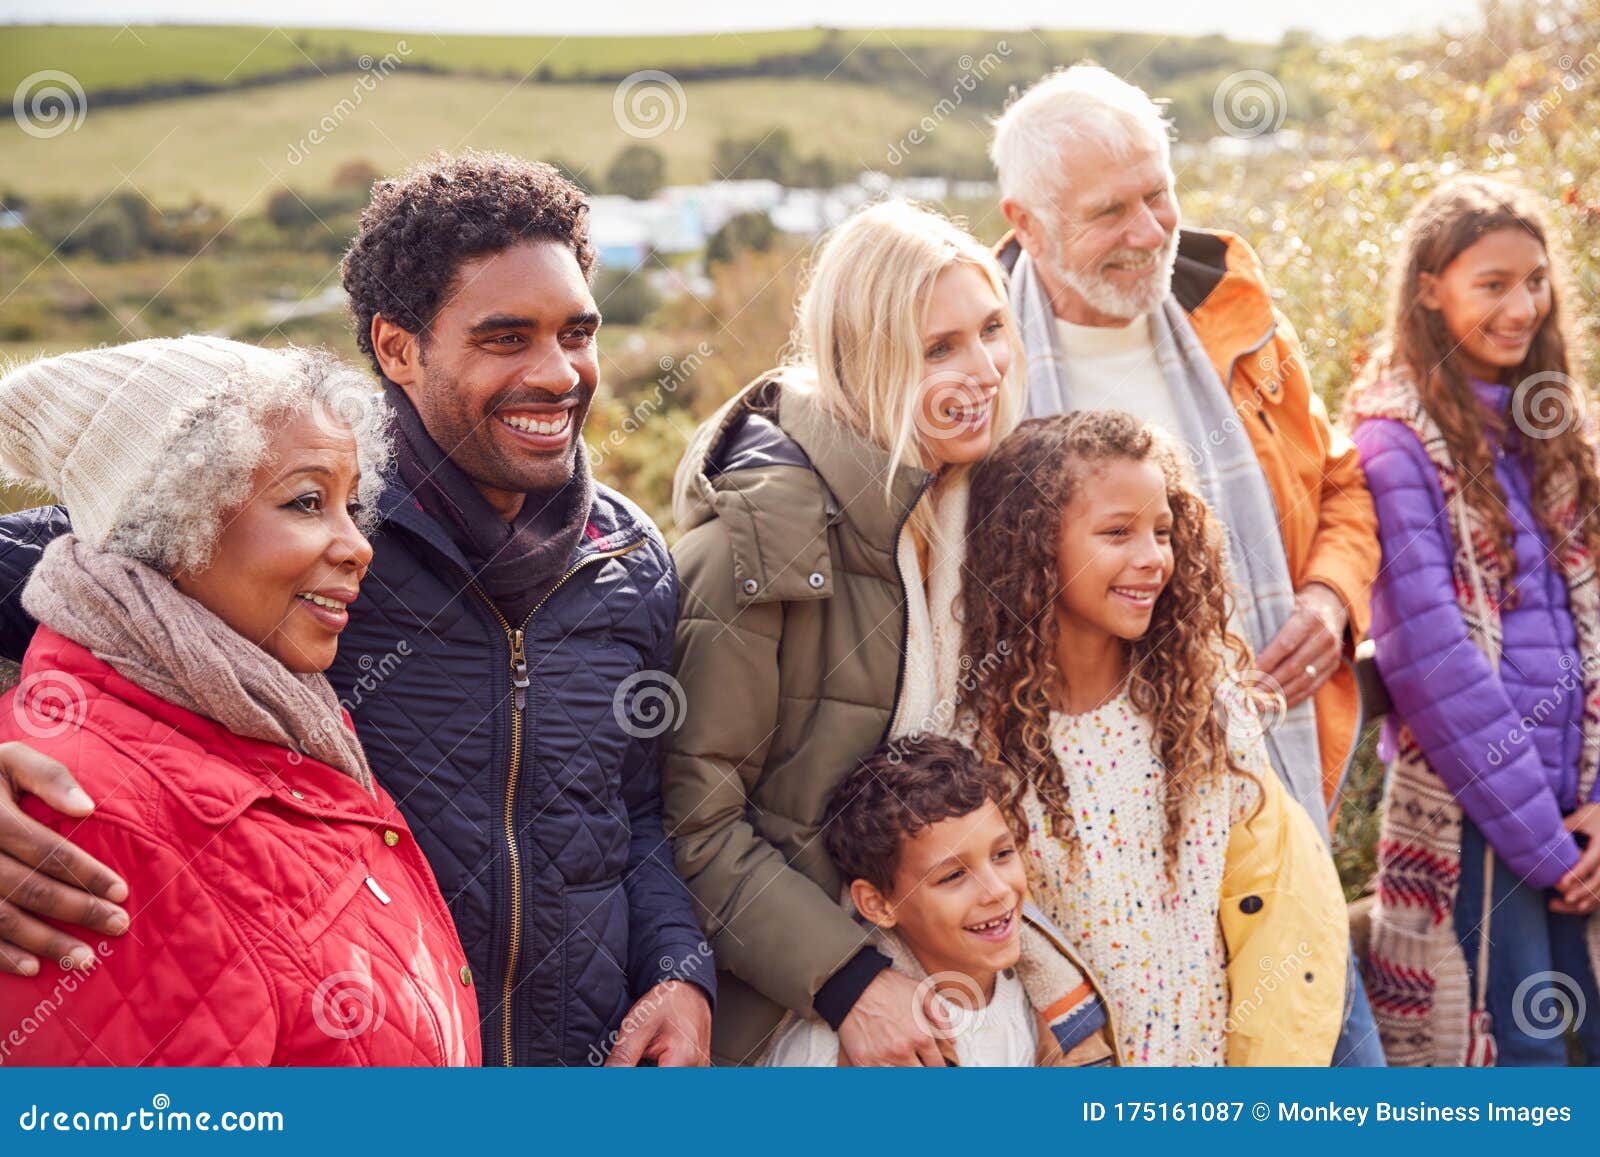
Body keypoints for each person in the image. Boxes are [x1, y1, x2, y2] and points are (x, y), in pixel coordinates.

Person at [0, 152, 712, 1067]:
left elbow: (634, 812)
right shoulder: (266, 538)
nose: (559, 372)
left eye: (577, 332)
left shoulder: (629, 560)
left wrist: (678, 968)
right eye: (506, 338)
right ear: (397, 348)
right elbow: (95, 614)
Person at [990, 65, 1384, 1066]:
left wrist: (1331, 598)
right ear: (1025, 224)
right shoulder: (976, 363)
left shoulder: (1238, 319)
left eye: (1157, 191)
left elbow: (1341, 489)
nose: (1147, 228)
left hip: (1264, 805)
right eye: (1107, 210)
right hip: (1080, 846)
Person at [0, 337, 478, 1065]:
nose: (359, 545)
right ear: (167, 526)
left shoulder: (276, 714)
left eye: (352, 504)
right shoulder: (78, 816)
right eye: (306, 500)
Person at [664, 199, 1025, 1065]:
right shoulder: (751, 552)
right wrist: (850, 981)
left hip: (972, 988)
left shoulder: (985, 509)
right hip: (807, 1024)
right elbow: (692, 823)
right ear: (863, 360)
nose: (983, 371)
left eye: (992, 329)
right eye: (938, 348)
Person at [959, 410, 1348, 1066]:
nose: (1152, 559)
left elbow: (1277, 909)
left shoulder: (1205, 704)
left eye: (1163, 531)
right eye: (1117, 532)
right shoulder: (981, 743)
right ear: (1032, 545)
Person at [1347, 175, 1600, 1066]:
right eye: (1491, 283)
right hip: (1484, 829)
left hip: (1581, 813)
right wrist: (1544, 843)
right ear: (1429, 288)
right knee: (1512, 1064)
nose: (1522, 305)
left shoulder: (1554, 431)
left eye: (1534, 281)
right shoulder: (1396, 441)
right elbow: (1431, 660)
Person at [762, 735, 1113, 1067]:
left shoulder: (1055, 1004)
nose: (997, 890)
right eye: (954, 876)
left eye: (1002, 854)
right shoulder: (831, 1051)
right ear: (878, 904)